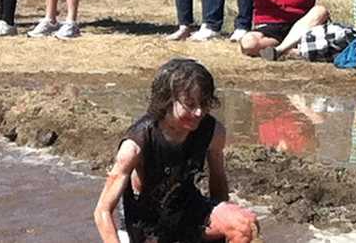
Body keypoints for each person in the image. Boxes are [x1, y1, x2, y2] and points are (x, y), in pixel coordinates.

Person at [93, 58, 259, 243]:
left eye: (204, 104)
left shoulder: (213, 132)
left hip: (187, 210)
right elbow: (102, 211)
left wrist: (225, 222)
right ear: (166, 100)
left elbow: (218, 186)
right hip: (147, 224)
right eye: (189, 104)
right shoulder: (135, 145)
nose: (198, 113)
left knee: (245, 225)